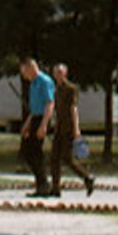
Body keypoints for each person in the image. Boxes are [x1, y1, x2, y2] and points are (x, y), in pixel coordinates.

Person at [49, 63, 94, 198]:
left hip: (68, 128)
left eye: (60, 72)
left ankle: (87, 177)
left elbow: (73, 109)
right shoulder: (56, 89)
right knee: (54, 158)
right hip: (59, 128)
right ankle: (55, 188)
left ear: (65, 74)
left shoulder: (71, 89)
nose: (58, 75)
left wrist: (76, 128)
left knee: (67, 159)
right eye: (56, 72)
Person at [18, 57, 54, 197]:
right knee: (28, 152)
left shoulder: (45, 81)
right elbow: (34, 109)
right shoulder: (32, 84)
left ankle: (44, 185)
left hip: (43, 118)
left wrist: (44, 125)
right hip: (35, 117)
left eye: (24, 72)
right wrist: (27, 124)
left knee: (35, 151)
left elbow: (49, 104)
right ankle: (41, 183)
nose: (24, 76)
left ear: (31, 68)